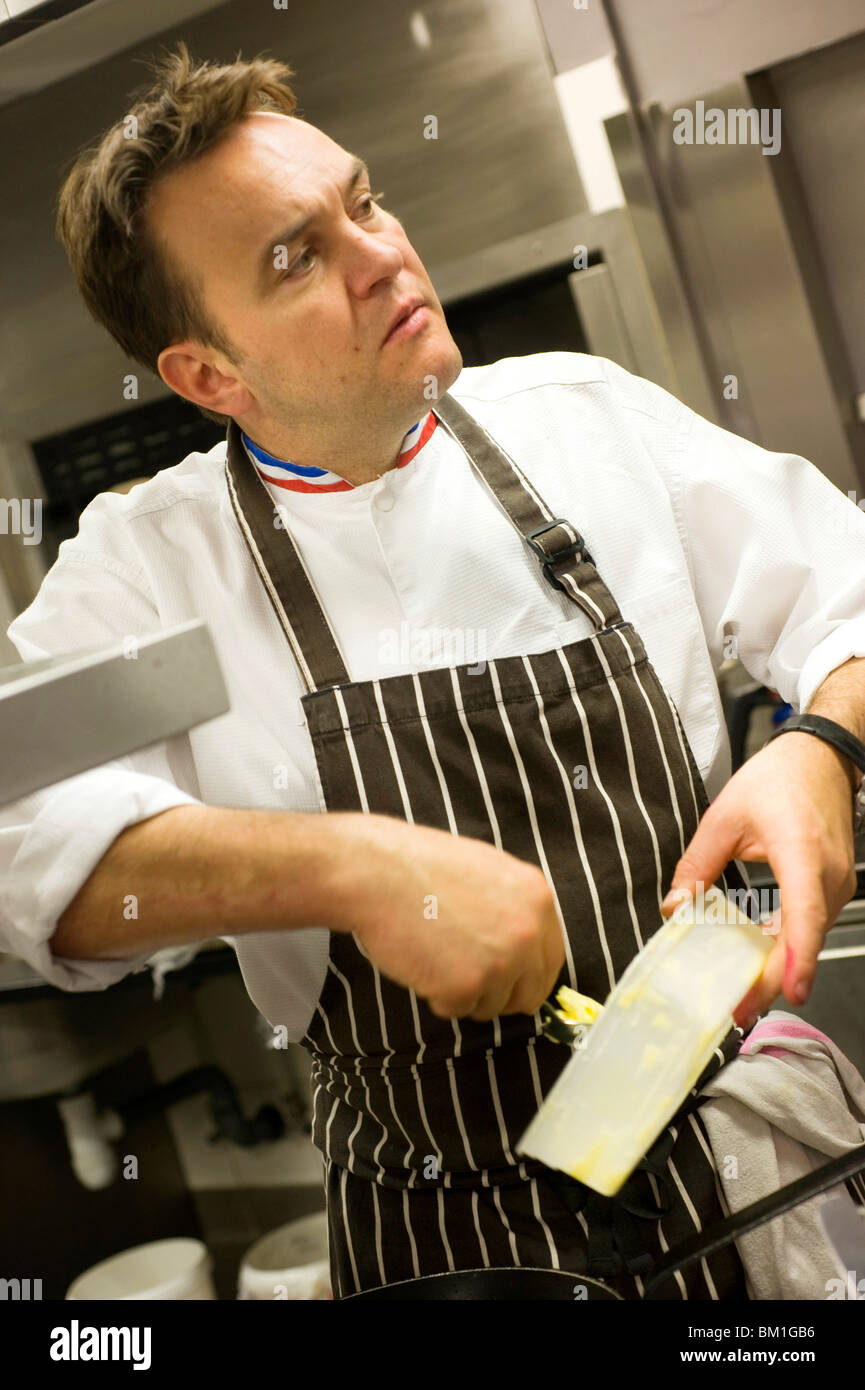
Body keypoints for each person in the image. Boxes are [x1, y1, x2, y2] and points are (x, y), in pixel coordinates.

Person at [3, 43, 864, 1299]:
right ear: (206, 373)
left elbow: (845, 576)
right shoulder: (149, 562)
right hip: (446, 1243)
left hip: (726, 1171)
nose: (380, 257)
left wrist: (819, 747)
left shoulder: (587, 419)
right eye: (296, 257)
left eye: (364, 202)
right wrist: (357, 870)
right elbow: (22, 837)